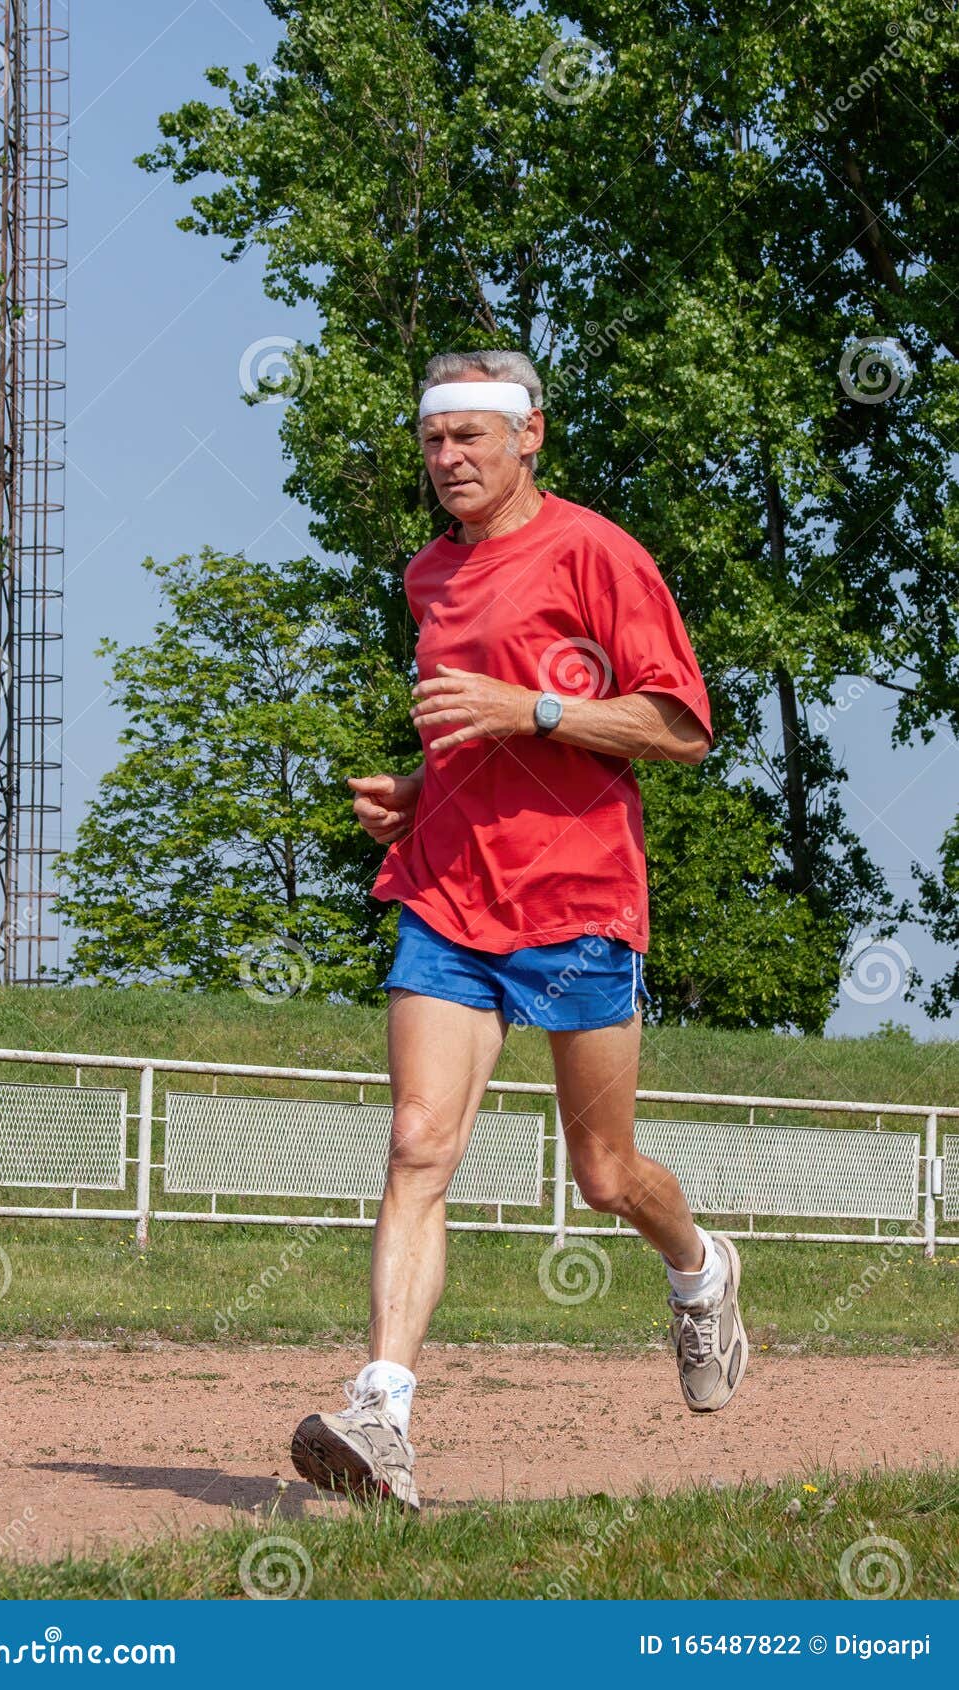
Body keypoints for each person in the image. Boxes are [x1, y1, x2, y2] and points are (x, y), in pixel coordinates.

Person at [290, 349, 746, 1512]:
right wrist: (416, 785)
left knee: (602, 1175)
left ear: (528, 434)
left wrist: (530, 708)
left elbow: (680, 726)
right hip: (446, 892)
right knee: (416, 1143)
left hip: (577, 897)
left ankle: (697, 1271)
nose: (446, 461)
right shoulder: (427, 574)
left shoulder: (597, 553)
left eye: (470, 440)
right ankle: (380, 1412)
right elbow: (467, 739)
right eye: (433, 441)